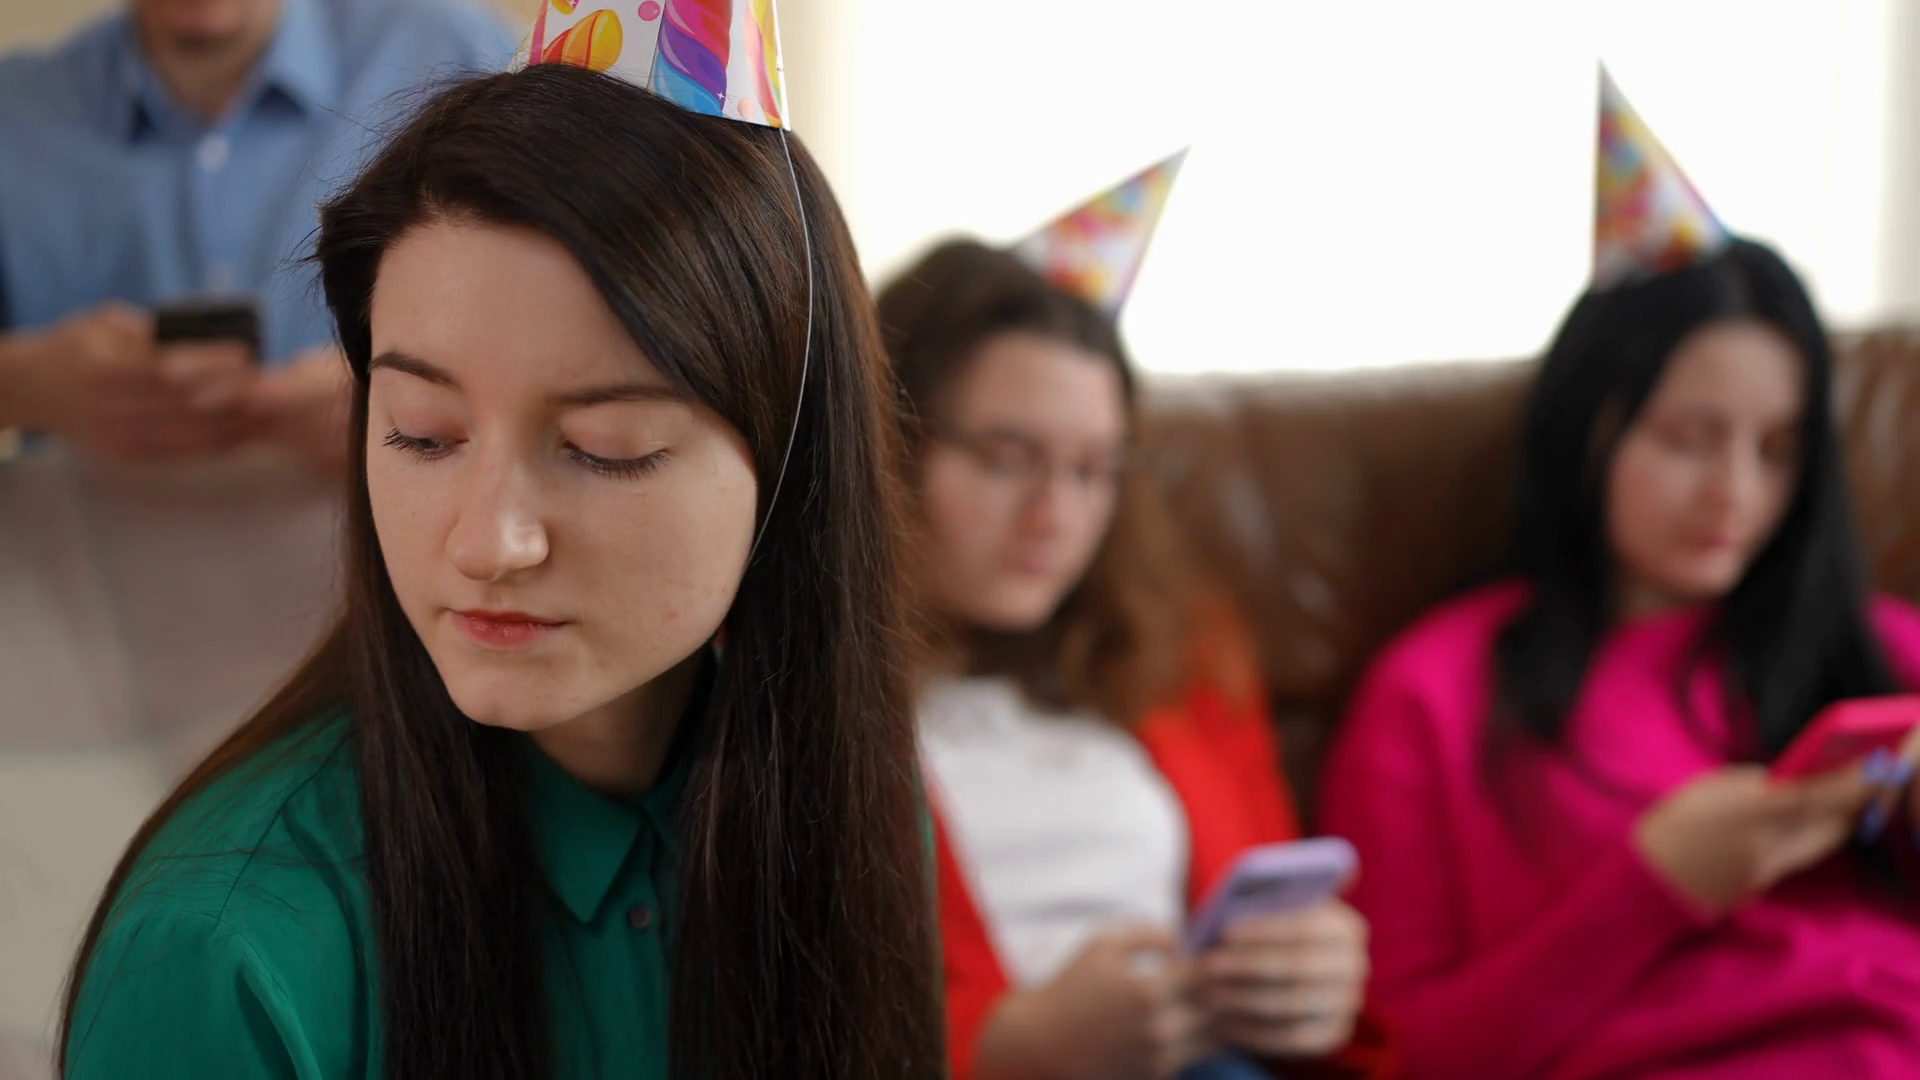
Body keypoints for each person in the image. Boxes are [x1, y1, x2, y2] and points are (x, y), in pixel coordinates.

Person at [58, 5, 946, 1076]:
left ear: (791, 457)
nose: (490, 543)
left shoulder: (849, 807)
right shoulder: (224, 953)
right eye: (424, 434)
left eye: (605, 448)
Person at [1319, 71, 1920, 1079]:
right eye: (1687, 439)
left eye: (1777, 452)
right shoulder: (1434, 694)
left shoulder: (1880, 646)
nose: (1734, 492)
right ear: (1585, 429)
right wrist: (1652, 889)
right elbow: (1398, 1057)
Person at [882, 155, 1395, 1080]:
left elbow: (1267, 912)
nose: (1056, 516)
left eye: (1093, 470)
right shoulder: (774, 692)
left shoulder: (1182, 653)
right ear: (885, 439)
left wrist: (1312, 992)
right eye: (1006, 456)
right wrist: (1014, 1052)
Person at [0, 0, 514, 470]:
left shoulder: (456, 55)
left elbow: (555, 333)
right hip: (69, 539)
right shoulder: (15, 114)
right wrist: (24, 383)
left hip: (394, 539)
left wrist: (405, 396)